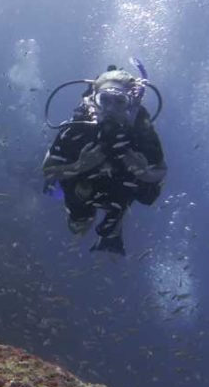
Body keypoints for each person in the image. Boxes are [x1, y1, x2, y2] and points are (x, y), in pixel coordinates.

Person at [42, 65, 166, 254]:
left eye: (119, 102)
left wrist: (145, 173)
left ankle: (114, 222)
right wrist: (78, 167)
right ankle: (93, 216)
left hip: (121, 188)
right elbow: (48, 170)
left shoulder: (142, 130)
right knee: (78, 228)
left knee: (112, 226)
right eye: (104, 100)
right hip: (82, 185)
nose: (110, 109)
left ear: (131, 103)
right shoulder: (77, 127)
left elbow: (161, 170)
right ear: (93, 100)